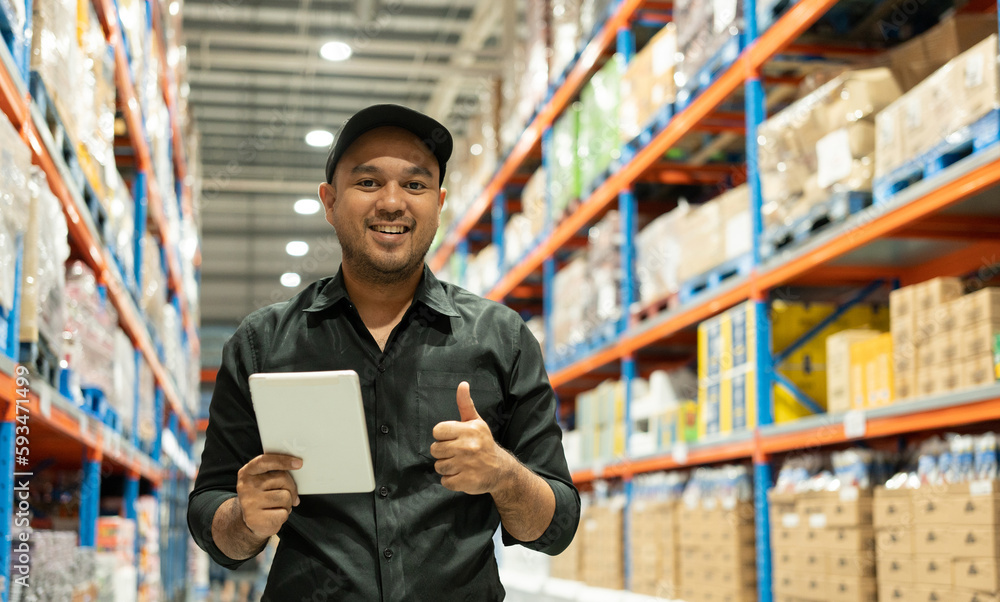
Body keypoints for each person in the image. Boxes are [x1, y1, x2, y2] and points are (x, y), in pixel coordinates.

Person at [188, 104, 581, 600]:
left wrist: (503, 475)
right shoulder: (262, 343)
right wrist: (244, 519)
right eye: (368, 182)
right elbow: (210, 510)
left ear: (439, 203)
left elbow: (557, 524)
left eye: (415, 185)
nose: (392, 203)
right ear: (329, 201)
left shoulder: (502, 338)